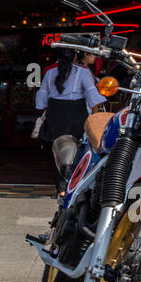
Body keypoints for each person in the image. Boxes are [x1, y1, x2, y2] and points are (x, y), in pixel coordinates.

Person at [35, 49, 103, 195]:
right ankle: (75, 184)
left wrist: (47, 109)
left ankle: (61, 188)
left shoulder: (50, 73)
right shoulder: (82, 72)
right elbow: (92, 95)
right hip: (76, 112)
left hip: (55, 113)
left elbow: (42, 98)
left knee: (59, 150)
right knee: (78, 148)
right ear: (75, 58)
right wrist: (95, 117)